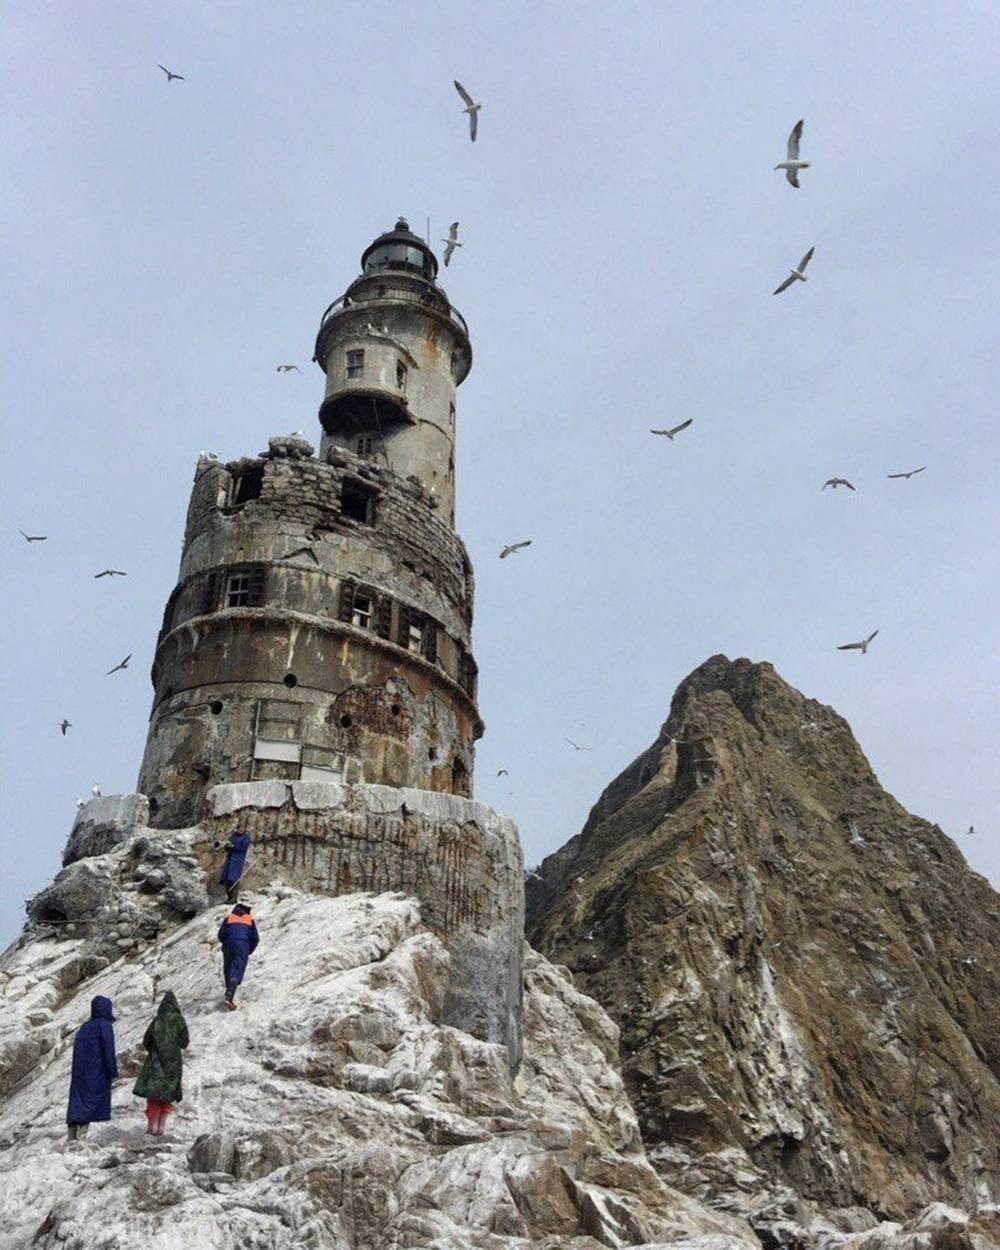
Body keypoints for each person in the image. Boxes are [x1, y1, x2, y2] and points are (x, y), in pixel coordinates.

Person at [132, 991, 189, 1136]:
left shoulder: (157, 1020)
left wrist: (155, 1049)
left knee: (153, 1095)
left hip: (156, 1062)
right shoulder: (180, 1020)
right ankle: (162, 1127)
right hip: (173, 1063)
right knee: (167, 1095)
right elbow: (184, 1042)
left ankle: (152, 1127)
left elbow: (146, 1041)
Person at [66, 995, 118, 1142]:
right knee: (91, 1101)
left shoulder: (84, 1027)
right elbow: (108, 1049)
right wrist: (112, 1070)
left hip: (79, 1072)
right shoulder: (104, 1026)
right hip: (96, 1071)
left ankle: (71, 1134)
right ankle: (82, 1135)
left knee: (77, 1100)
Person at [217, 903, 259, 1010]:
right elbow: (255, 937)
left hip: (228, 943)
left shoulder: (229, 917)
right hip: (242, 944)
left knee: (228, 967)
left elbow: (220, 935)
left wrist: (227, 941)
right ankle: (229, 997)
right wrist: (250, 950)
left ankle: (228, 992)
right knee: (236, 968)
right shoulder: (249, 919)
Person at [216, 830, 251, 904]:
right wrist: (228, 846)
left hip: (237, 860)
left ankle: (234, 898)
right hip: (229, 859)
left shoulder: (246, 838)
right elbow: (226, 847)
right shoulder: (233, 837)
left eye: (242, 828)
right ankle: (229, 897)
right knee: (226, 878)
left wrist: (233, 846)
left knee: (234, 879)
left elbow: (243, 848)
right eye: (239, 828)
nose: (240, 830)